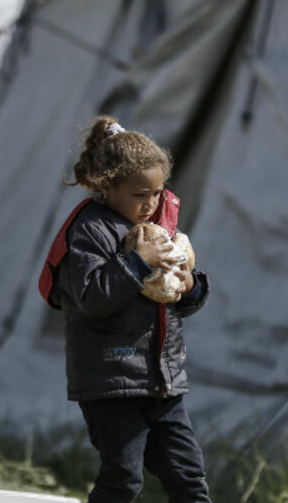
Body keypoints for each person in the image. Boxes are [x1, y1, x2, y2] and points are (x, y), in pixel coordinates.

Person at [48, 116, 213, 503]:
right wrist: (137, 262)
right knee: (123, 479)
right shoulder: (89, 230)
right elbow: (92, 298)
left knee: (188, 476)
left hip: (162, 380)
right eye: (141, 194)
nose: (151, 203)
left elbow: (174, 300)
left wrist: (189, 285)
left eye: (157, 193)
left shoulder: (159, 230)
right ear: (108, 185)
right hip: (112, 381)